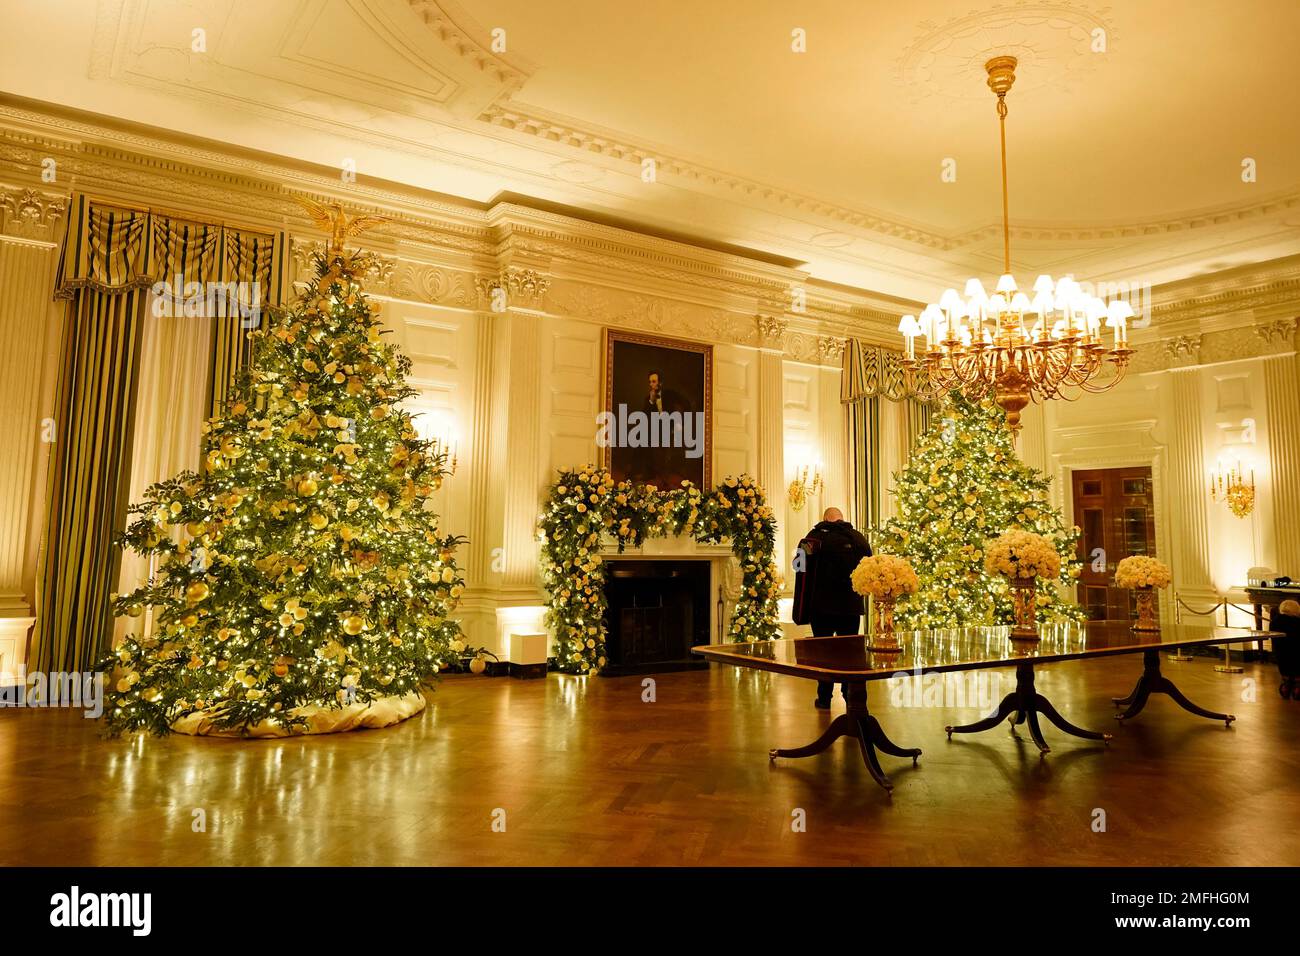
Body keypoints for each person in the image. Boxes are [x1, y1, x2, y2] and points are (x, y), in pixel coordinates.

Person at [796, 507, 872, 709]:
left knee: (824, 655)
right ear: (842, 519)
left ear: (824, 520)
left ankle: (824, 698)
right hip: (850, 607)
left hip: (821, 607)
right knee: (849, 654)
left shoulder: (813, 539)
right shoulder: (858, 539)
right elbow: (869, 564)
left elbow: (798, 566)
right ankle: (849, 695)